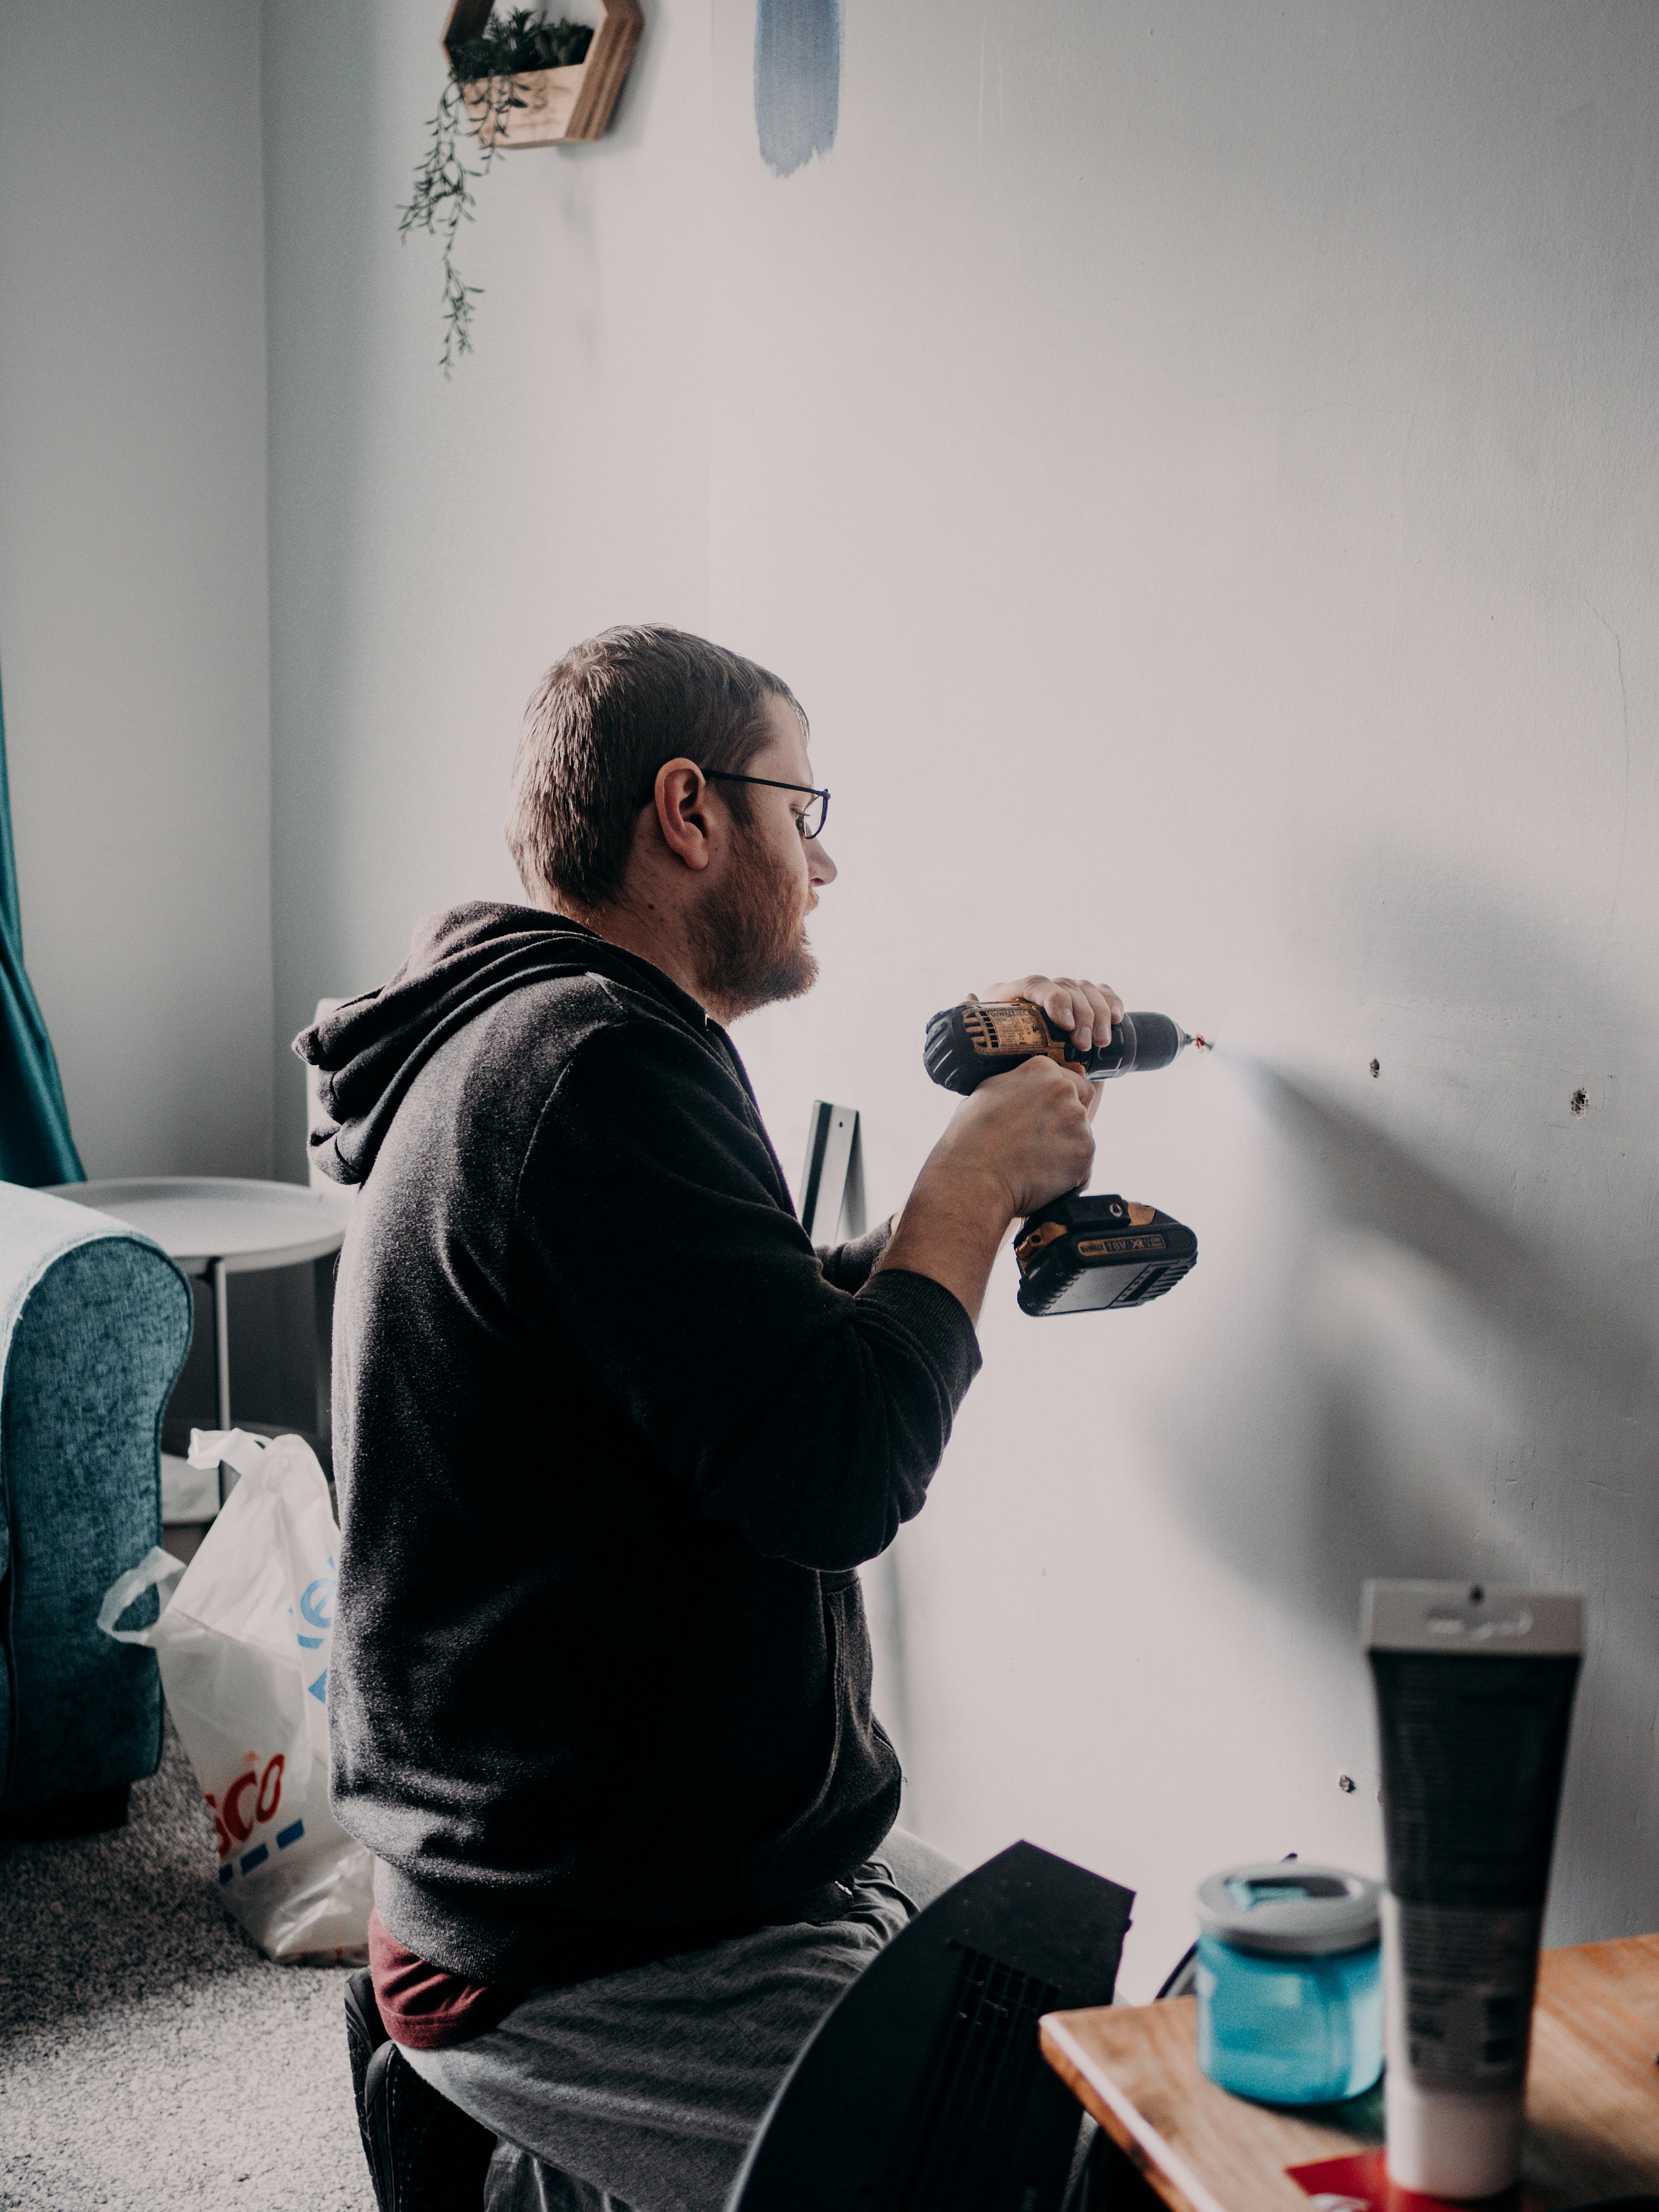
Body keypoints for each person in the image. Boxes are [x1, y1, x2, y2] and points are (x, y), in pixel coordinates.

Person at [297, 625, 1122, 2212]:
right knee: (1065, 2167)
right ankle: (536, 2165)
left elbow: (721, 1353)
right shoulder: (595, 1060)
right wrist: (966, 1186)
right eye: (801, 807)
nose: (828, 854)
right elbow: (834, 1468)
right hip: (596, 1932)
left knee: (1067, 2032)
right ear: (689, 811)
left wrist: (960, 1206)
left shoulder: (532, 1038)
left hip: (602, 1870)